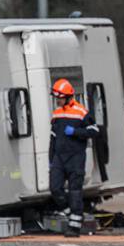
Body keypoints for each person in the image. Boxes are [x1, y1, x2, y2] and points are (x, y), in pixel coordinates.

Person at [48, 78, 100, 237]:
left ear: (69, 97)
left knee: (75, 191)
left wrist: (76, 132)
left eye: (60, 97)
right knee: (55, 188)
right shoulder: (57, 113)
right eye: (57, 98)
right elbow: (53, 137)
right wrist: (51, 158)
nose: (58, 100)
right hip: (59, 157)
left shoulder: (81, 112)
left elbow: (94, 130)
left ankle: (75, 226)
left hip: (76, 157)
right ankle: (71, 212)